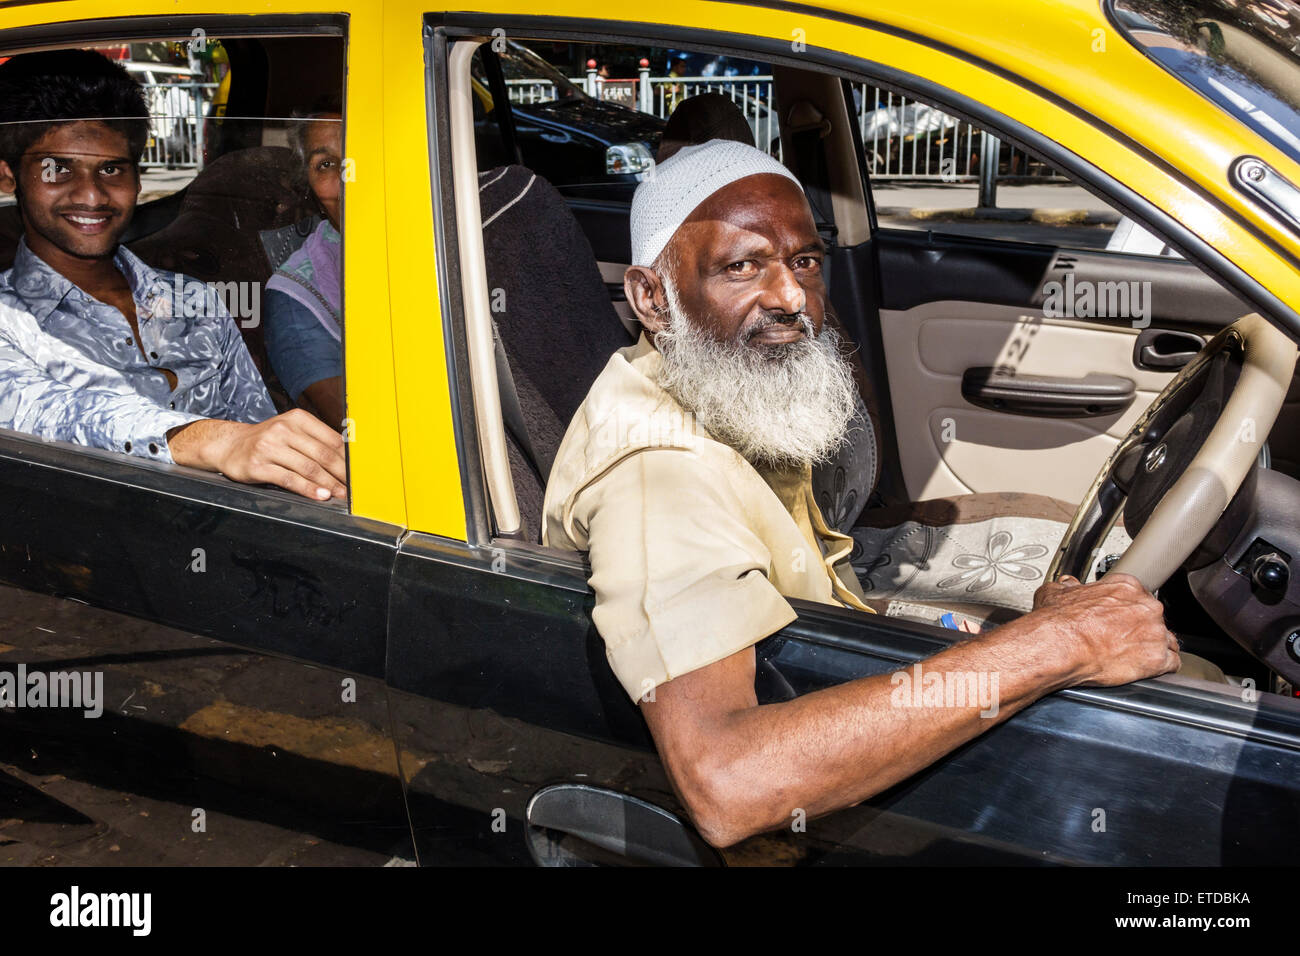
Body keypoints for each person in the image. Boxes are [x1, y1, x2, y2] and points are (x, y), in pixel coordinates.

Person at [541, 139, 1184, 848]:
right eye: (742, 266)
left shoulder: (713, 385)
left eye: (805, 262)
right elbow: (729, 782)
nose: (792, 299)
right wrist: (1062, 640)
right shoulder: (656, 476)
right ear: (651, 298)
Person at [0, 50, 345, 502]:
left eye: (111, 169)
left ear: (137, 180)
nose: (90, 194)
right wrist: (214, 441)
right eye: (57, 169)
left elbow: (257, 429)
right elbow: (54, 411)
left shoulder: (194, 298)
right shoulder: (8, 321)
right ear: (9, 178)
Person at [263, 100, 345, 428]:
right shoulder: (298, 299)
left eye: (361, 151)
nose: (349, 177)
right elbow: (363, 429)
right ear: (308, 188)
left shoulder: (447, 237)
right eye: (326, 164)